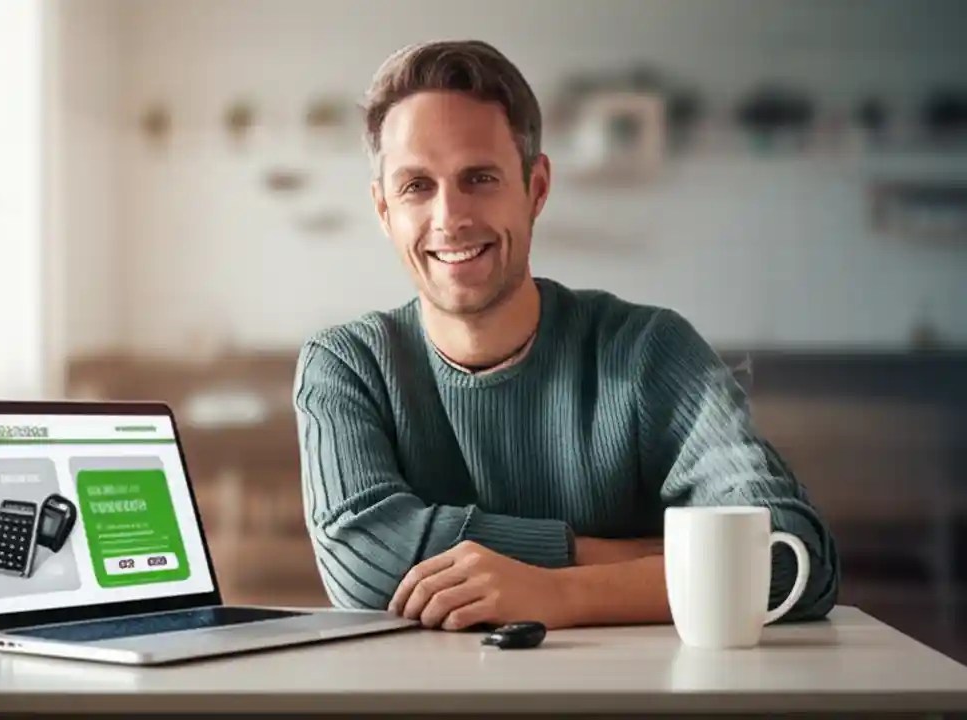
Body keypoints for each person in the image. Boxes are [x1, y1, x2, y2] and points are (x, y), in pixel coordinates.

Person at [292, 40, 839, 631]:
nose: (448, 218)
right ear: (383, 210)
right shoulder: (346, 365)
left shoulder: (648, 350)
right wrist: (632, 559)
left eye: (479, 178)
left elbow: (793, 559)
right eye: (416, 186)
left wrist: (559, 594)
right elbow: (364, 562)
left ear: (537, 188)